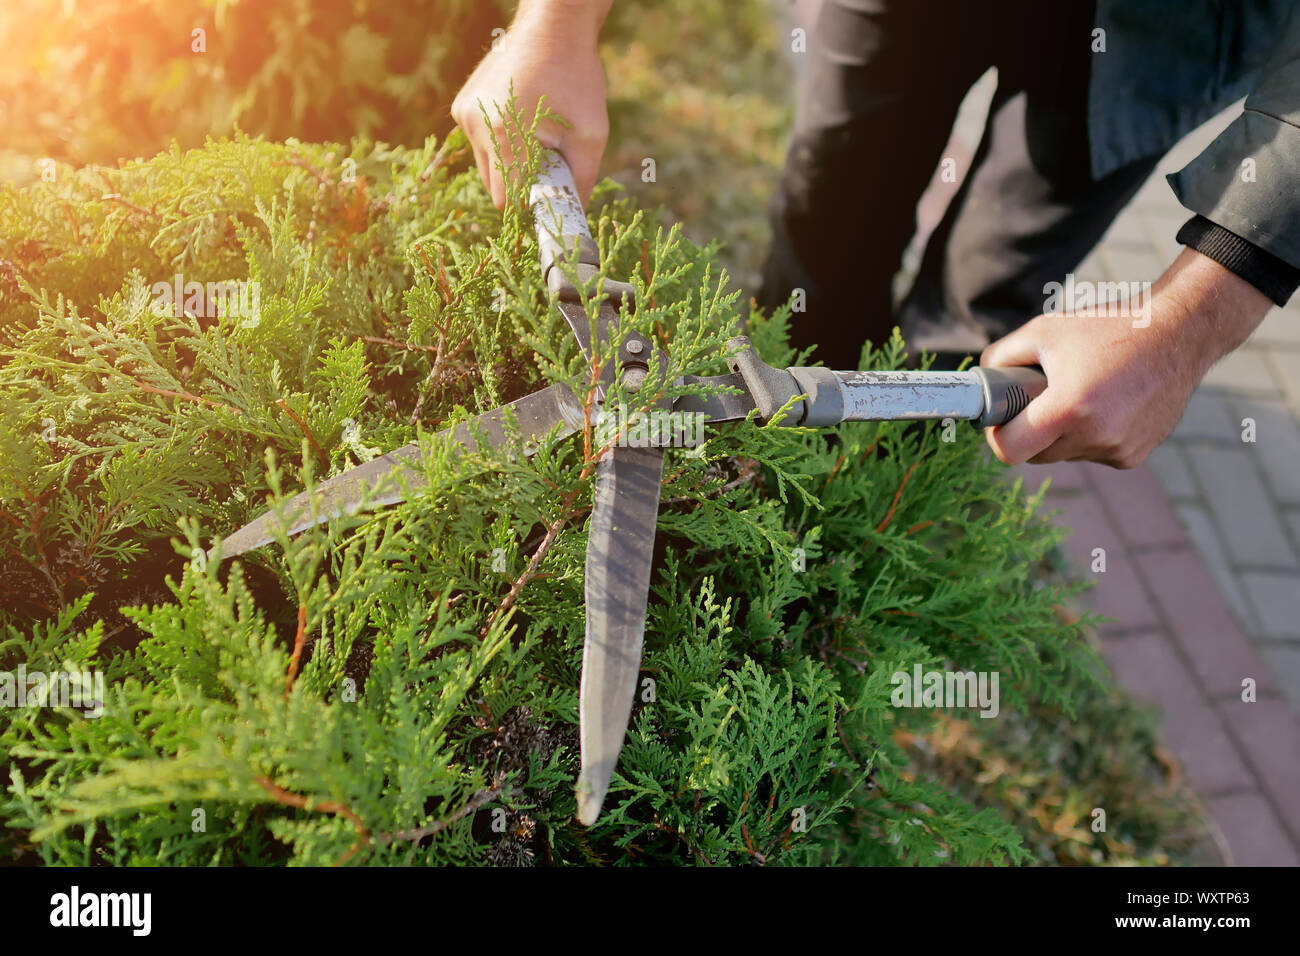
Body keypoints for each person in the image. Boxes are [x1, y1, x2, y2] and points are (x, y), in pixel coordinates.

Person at [452, 0, 1300, 469]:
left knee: (984, 316)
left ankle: (883, 489)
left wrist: (1195, 314)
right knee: (826, 233)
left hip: (1166, 28)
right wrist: (554, 24)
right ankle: (767, 473)